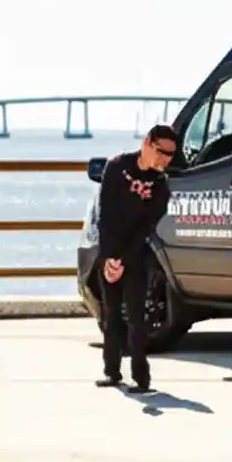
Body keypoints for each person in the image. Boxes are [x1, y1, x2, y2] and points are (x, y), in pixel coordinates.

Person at [94, 124, 177, 394]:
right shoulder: (117, 166)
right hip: (109, 252)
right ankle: (112, 372)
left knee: (136, 317)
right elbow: (104, 215)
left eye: (171, 155)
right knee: (111, 314)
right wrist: (108, 258)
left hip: (136, 257)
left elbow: (145, 228)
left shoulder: (161, 185)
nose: (165, 159)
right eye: (161, 151)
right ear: (147, 143)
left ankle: (142, 379)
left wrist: (123, 260)